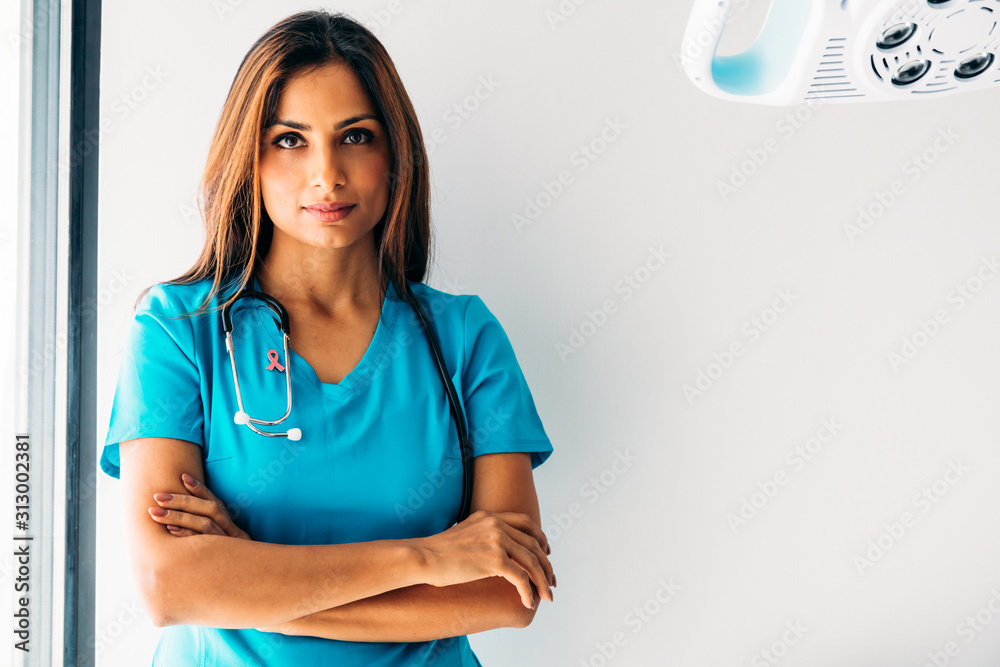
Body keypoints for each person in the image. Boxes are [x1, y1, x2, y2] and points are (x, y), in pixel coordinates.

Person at [99, 10, 556, 666]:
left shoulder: (464, 338)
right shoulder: (177, 331)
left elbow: (507, 594)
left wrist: (247, 576)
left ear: (394, 153)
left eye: (356, 136)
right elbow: (169, 584)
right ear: (248, 155)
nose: (327, 174)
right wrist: (430, 557)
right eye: (290, 140)